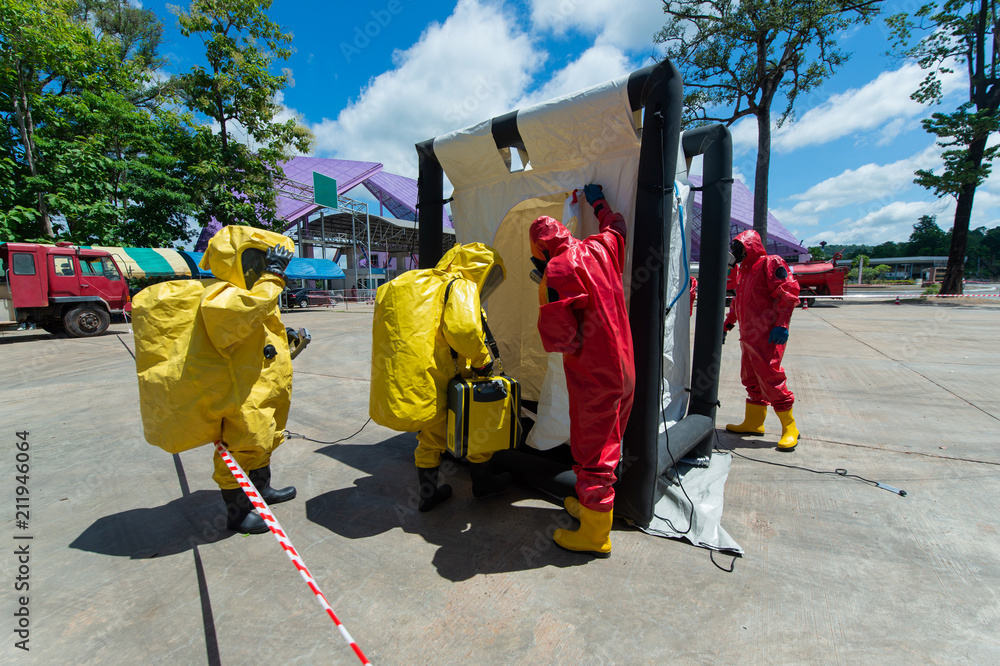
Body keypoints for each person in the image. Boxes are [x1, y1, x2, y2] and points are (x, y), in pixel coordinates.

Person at [133, 227, 305, 534]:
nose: (264, 268)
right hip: (241, 391)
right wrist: (272, 276)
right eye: (260, 260)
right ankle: (238, 515)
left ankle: (262, 492)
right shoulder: (222, 294)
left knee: (263, 440)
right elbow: (238, 318)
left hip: (262, 384)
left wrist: (285, 337)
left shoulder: (254, 293)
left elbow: (254, 327)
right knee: (243, 446)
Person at [529, 184, 635, 558]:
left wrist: (546, 290)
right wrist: (600, 203)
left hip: (595, 376)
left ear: (540, 250)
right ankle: (590, 508)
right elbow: (618, 227)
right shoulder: (600, 247)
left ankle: (594, 534)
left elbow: (561, 339)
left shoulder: (558, 269)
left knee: (593, 452)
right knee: (610, 443)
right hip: (624, 367)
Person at [369, 243, 509, 511]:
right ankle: (483, 483)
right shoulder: (459, 285)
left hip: (423, 378)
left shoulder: (422, 285)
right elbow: (464, 330)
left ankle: (428, 494)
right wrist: (482, 361)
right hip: (455, 373)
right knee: (478, 424)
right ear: (476, 268)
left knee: (431, 437)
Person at [723, 229, 801, 450]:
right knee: (750, 378)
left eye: (738, 248)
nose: (734, 252)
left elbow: (787, 293)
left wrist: (782, 325)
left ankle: (790, 427)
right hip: (748, 337)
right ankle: (754, 423)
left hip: (768, 336)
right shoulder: (742, 272)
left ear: (749, 247)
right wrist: (728, 324)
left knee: (771, 378)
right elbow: (739, 301)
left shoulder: (770, 263)